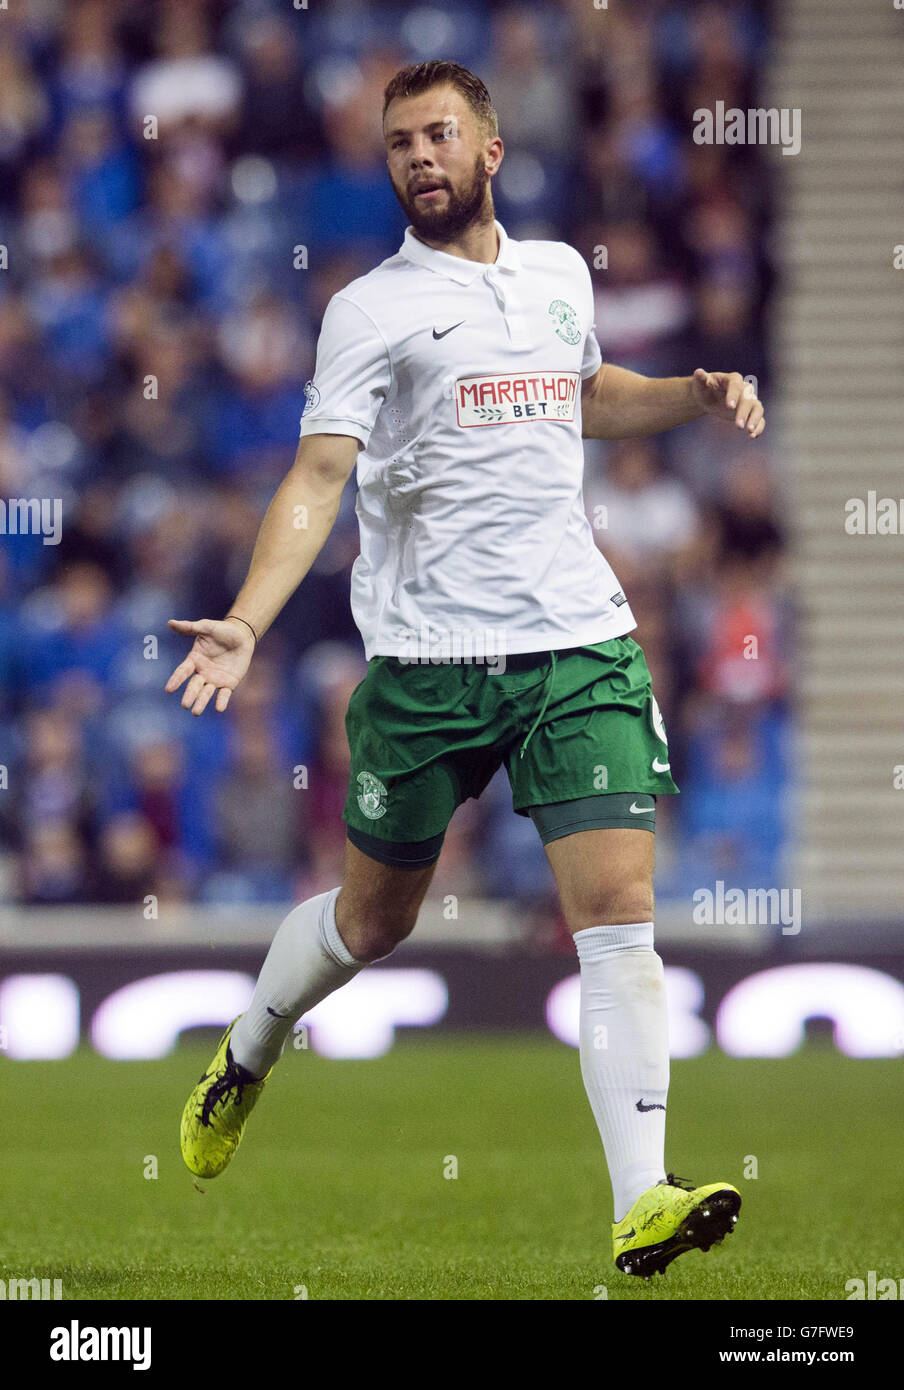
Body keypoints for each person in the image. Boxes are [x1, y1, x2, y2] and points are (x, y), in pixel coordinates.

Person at [166, 61, 764, 1279]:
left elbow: (582, 395)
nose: (418, 156)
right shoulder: (368, 310)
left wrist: (688, 397)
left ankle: (640, 1196)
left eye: (439, 134)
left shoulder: (557, 275)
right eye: (397, 142)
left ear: (491, 149)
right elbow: (320, 477)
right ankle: (249, 1046)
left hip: (577, 647)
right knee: (370, 921)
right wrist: (246, 619)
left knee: (615, 919)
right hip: (428, 665)